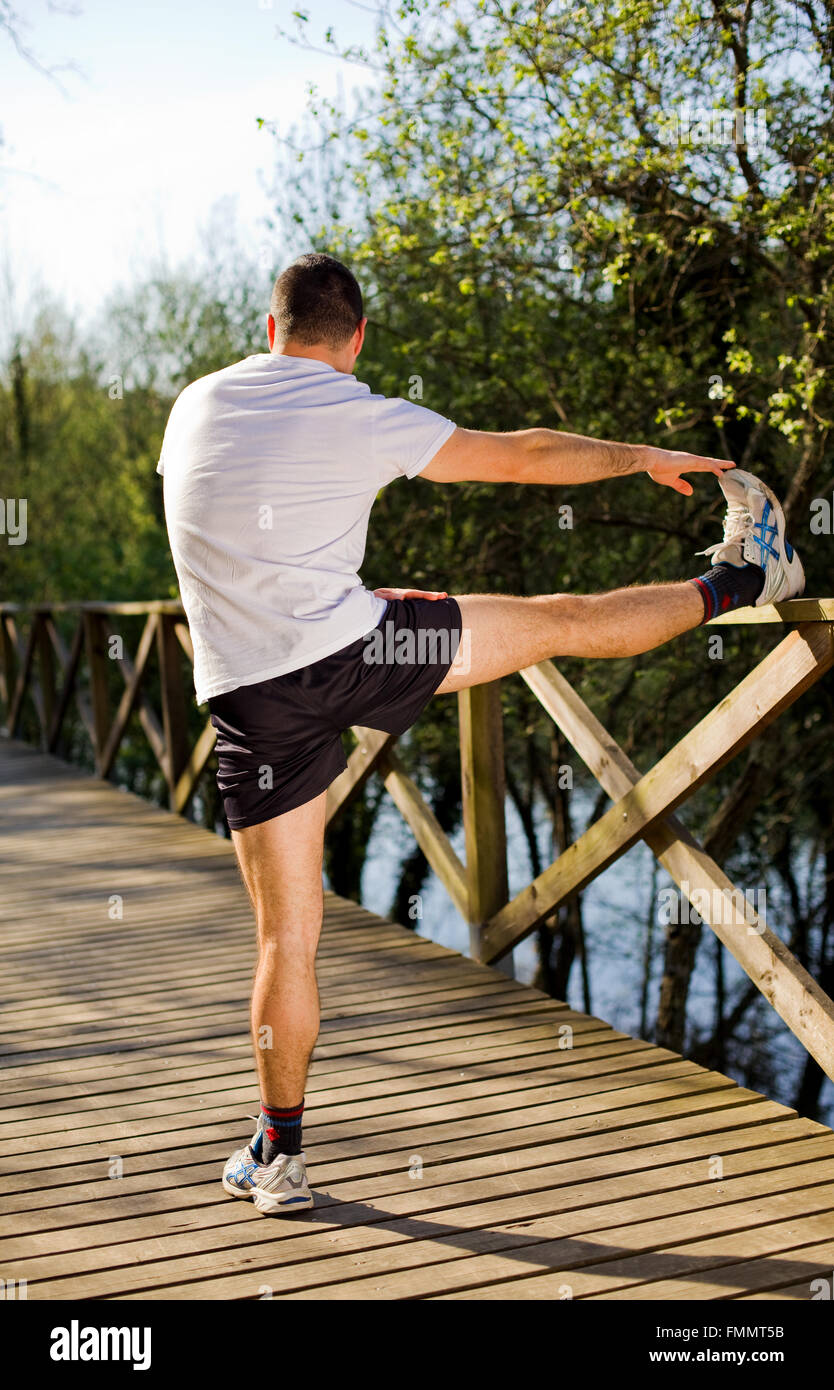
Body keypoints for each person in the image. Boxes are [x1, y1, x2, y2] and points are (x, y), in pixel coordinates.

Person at [156, 252, 804, 1215]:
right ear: (358, 338)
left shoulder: (192, 407)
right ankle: (748, 579)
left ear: (269, 329)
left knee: (286, 939)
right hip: (360, 650)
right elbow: (526, 455)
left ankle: (278, 1155)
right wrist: (642, 456)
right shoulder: (359, 409)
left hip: (246, 696)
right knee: (562, 621)